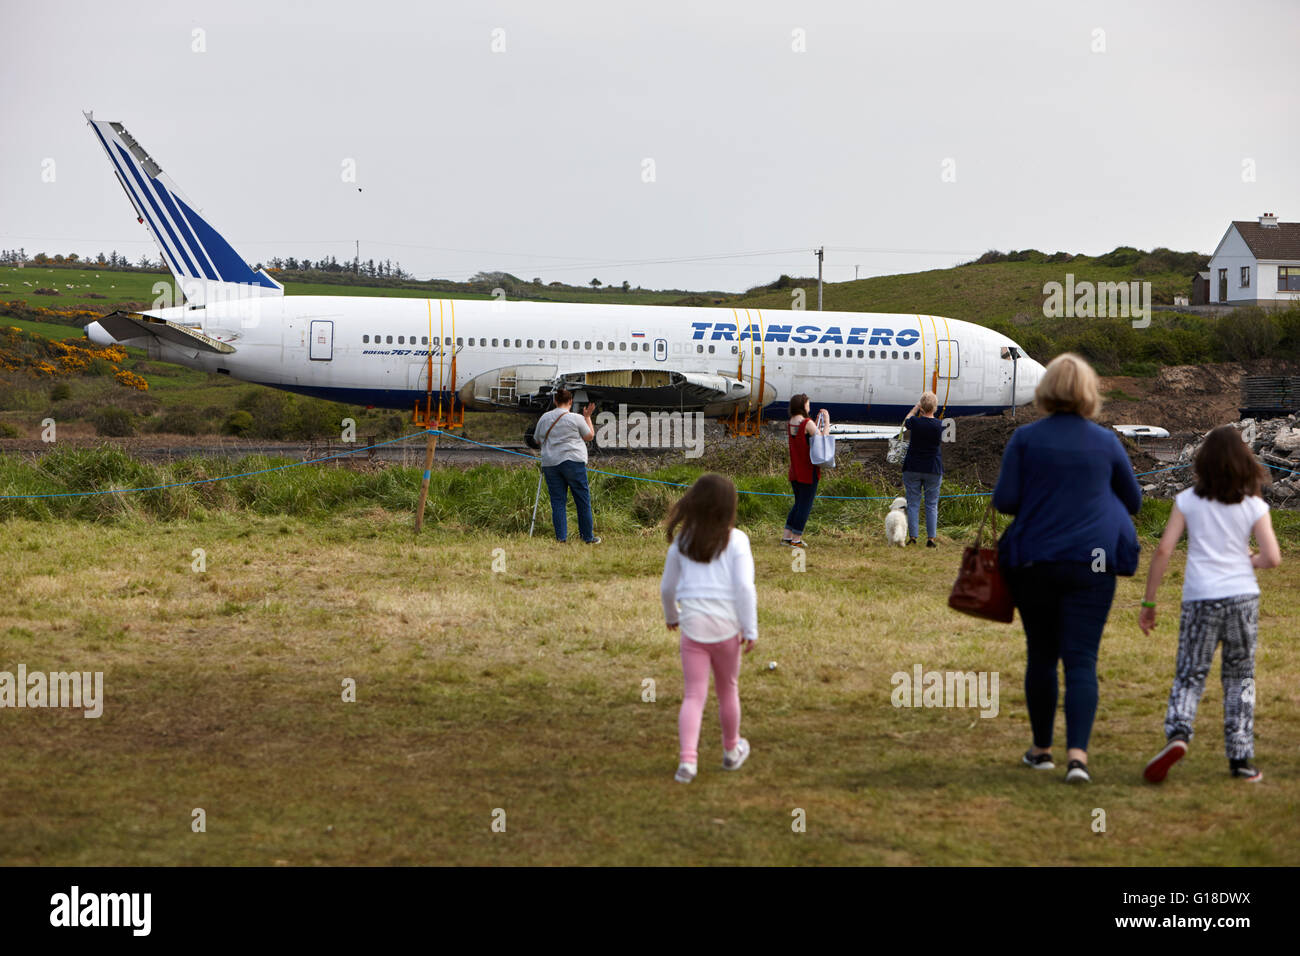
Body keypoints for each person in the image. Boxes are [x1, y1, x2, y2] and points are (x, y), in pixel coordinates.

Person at [992, 353, 1142, 784]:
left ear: (1045, 390)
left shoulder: (1024, 439)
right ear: (1090, 393)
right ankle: (1078, 757)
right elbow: (1133, 501)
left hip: (1034, 560)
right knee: (1081, 659)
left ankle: (1041, 751)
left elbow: (1005, 501)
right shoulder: (1107, 442)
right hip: (1093, 563)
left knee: (1040, 654)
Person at [1139, 425, 1281, 784]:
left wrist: (1149, 601)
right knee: (1240, 678)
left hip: (1201, 599)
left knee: (1190, 672)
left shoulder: (1187, 501)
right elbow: (1272, 558)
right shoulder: (1254, 505)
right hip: (1242, 599)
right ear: (1244, 463)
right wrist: (1247, 560)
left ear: (1202, 462)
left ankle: (1179, 733)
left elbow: (1164, 550)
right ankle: (1240, 759)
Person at [660, 473, 758, 784]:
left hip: (692, 628)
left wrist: (671, 615)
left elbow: (667, 588)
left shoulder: (682, 541)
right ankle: (732, 750)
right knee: (728, 690)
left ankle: (687, 762)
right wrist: (750, 628)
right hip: (728, 629)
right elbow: (744, 588)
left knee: (693, 695)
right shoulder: (738, 540)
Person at [532, 388, 600, 544]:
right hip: (573, 460)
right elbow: (589, 436)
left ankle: (561, 538)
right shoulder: (576, 418)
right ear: (570, 401)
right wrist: (587, 417)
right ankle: (587, 537)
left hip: (551, 462)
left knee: (557, 501)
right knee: (582, 500)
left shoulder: (545, 418)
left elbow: (537, 439)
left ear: (555, 401)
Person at [901, 391, 944, 547]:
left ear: (921, 407)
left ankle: (913, 537)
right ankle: (931, 539)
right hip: (933, 467)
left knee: (913, 503)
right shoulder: (940, 426)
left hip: (913, 467)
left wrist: (914, 409)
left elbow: (906, 421)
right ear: (935, 407)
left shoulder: (915, 422)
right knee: (931, 504)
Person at [782, 393, 820, 548]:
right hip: (808, 471)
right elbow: (822, 438)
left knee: (798, 504)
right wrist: (827, 419)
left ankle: (786, 537)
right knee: (805, 505)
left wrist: (815, 423)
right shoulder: (807, 422)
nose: (809, 407)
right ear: (803, 405)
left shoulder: (791, 422)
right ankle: (796, 539)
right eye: (808, 404)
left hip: (795, 470)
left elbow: (806, 434)